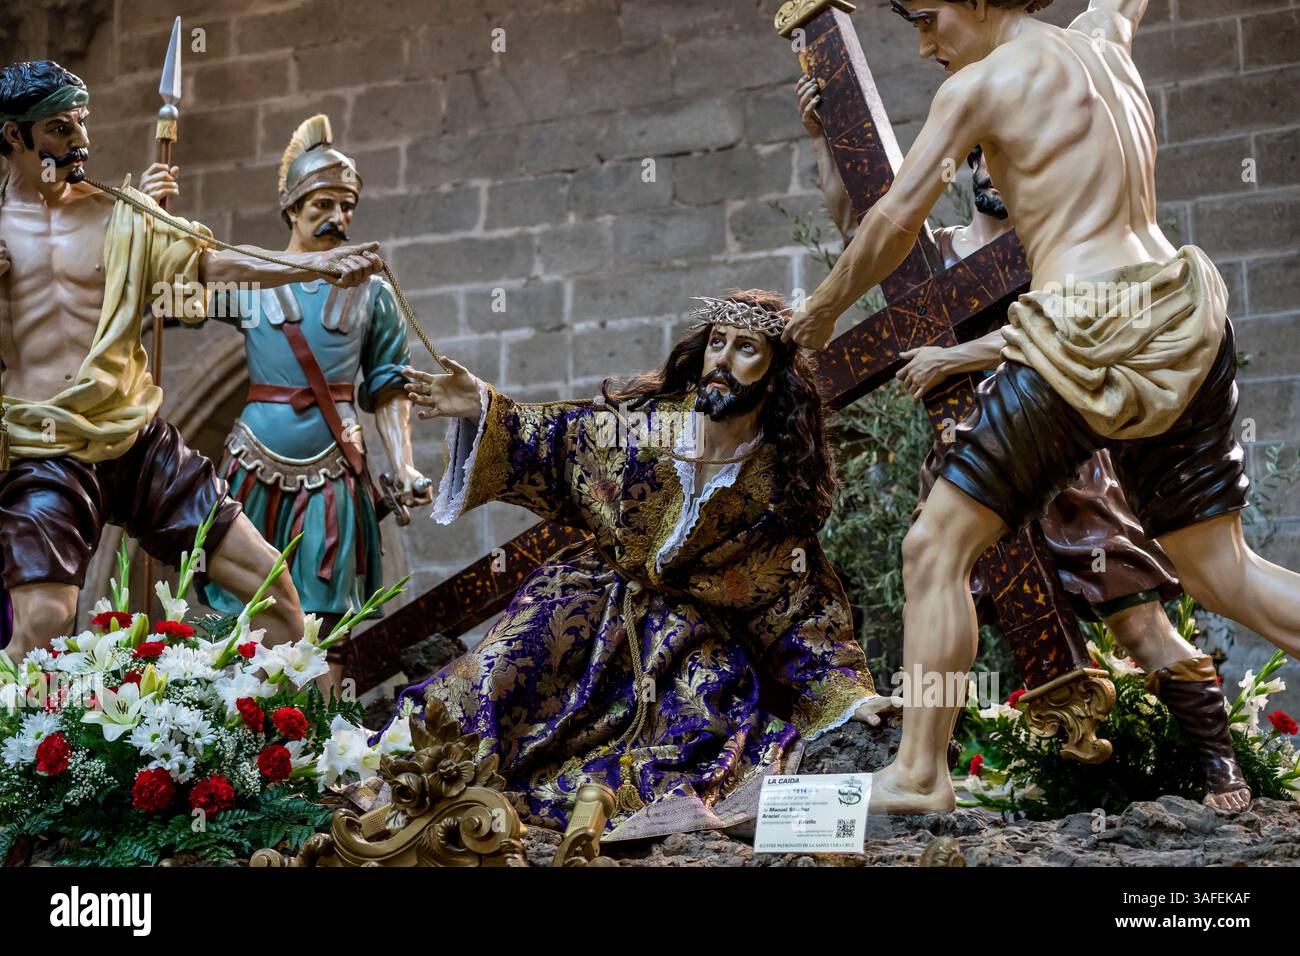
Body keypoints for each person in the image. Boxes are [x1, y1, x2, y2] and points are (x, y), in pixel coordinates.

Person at [786, 0, 1300, 814]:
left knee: (935, 548)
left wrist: (818, 312)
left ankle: (918, 775)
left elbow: (893, 219)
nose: (924, 46)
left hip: (1084, 328)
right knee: (1220, 571)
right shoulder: (1104, 39)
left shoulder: (981, 87)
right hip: (1183, 311)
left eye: (928, 18)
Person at [396, 290, 893, 839]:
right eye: (717, 343)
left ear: (775, 374)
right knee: (488, 683)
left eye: (745, 348)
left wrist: (850, 694)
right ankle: (415, 785)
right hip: (585, 605)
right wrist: (482, 406)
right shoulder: (644, 426)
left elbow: (800, 608)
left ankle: (605, 812)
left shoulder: (777, 489)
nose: (722, 360)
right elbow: (556, 438)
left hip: (684, 647)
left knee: (693, 743)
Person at [0, 60, 383, 659]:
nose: (80, 141)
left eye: (81, 122)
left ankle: (252, 718)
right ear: (13, 135)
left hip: (134, 436)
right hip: (46, 446)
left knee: (274, 589)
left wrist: (311, 264)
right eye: (59, 128)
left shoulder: (120, 215)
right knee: (45, 621)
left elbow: (214, 262)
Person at [200, 114, 430, 668]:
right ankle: (242, 715)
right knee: (243, 606)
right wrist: (155, 231)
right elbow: (182, 293)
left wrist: (403, 463)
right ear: (292, 207)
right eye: (323, 203)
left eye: (347, 206)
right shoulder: (252, 280)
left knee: (325, 619)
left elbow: (389, 386)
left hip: (334, 466)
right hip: (253, 460)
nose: (338, 217)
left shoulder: (373, 294)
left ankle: (322, 721)